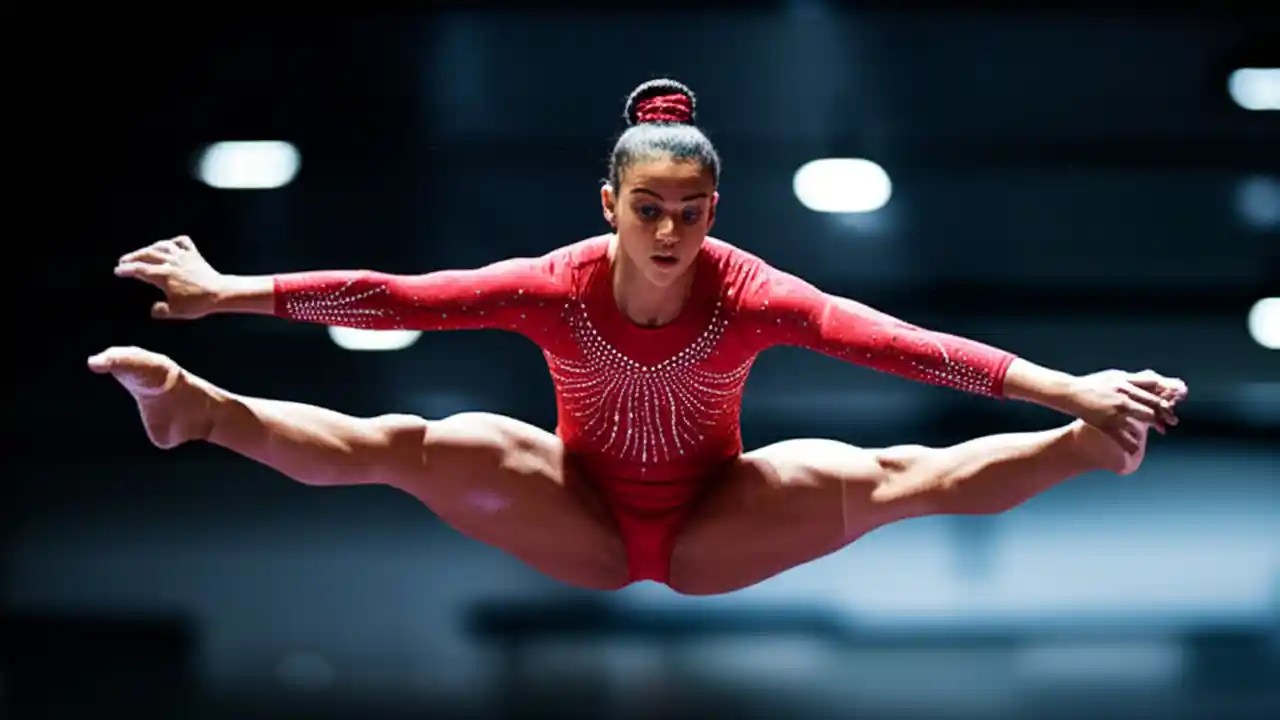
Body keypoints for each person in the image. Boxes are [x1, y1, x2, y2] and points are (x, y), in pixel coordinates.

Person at [91, 78, 1187, 595]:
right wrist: (226, 293)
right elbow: (398, 298)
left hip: (715, 523)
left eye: (692, 213)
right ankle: (202, 412)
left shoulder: (750, 293)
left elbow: (900, 345)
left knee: (892, 473)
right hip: (578, 513)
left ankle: (1089, 446)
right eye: (649, 210)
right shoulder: (555, 287)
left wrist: (1070, 392)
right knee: (423, 444)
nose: (670, 234)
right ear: (609, 204)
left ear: (715, 210)